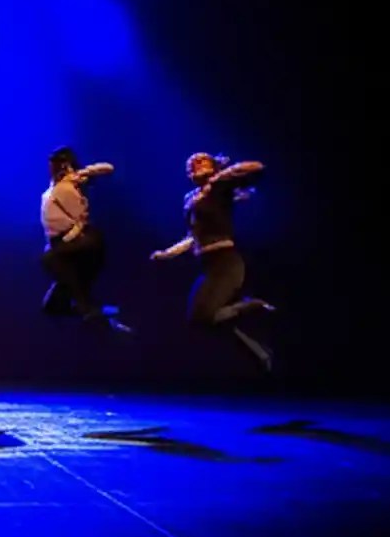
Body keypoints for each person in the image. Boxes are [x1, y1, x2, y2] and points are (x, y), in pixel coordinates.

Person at [150, 152, 275, 370]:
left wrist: (220, 176)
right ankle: (260, 353)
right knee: (199, 319)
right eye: (191, 163)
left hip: (226, 262)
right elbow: (192, 237)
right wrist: (167, 253)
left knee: (207, 316)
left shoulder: (220, 189)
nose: (194, 163)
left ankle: (251, 306)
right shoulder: (190, 199)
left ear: (214, 167)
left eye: (202, 161)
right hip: (208, 266)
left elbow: (257, 166)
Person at [40, 146, 131, 333]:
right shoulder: (55, 187)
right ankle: (94, 310)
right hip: (61, 242)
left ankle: (89, 309)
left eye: (54, 166)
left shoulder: (66, 186)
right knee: (52, 305)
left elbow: (81, 218)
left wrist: (82, 172)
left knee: (51, 260)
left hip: (75, 240)